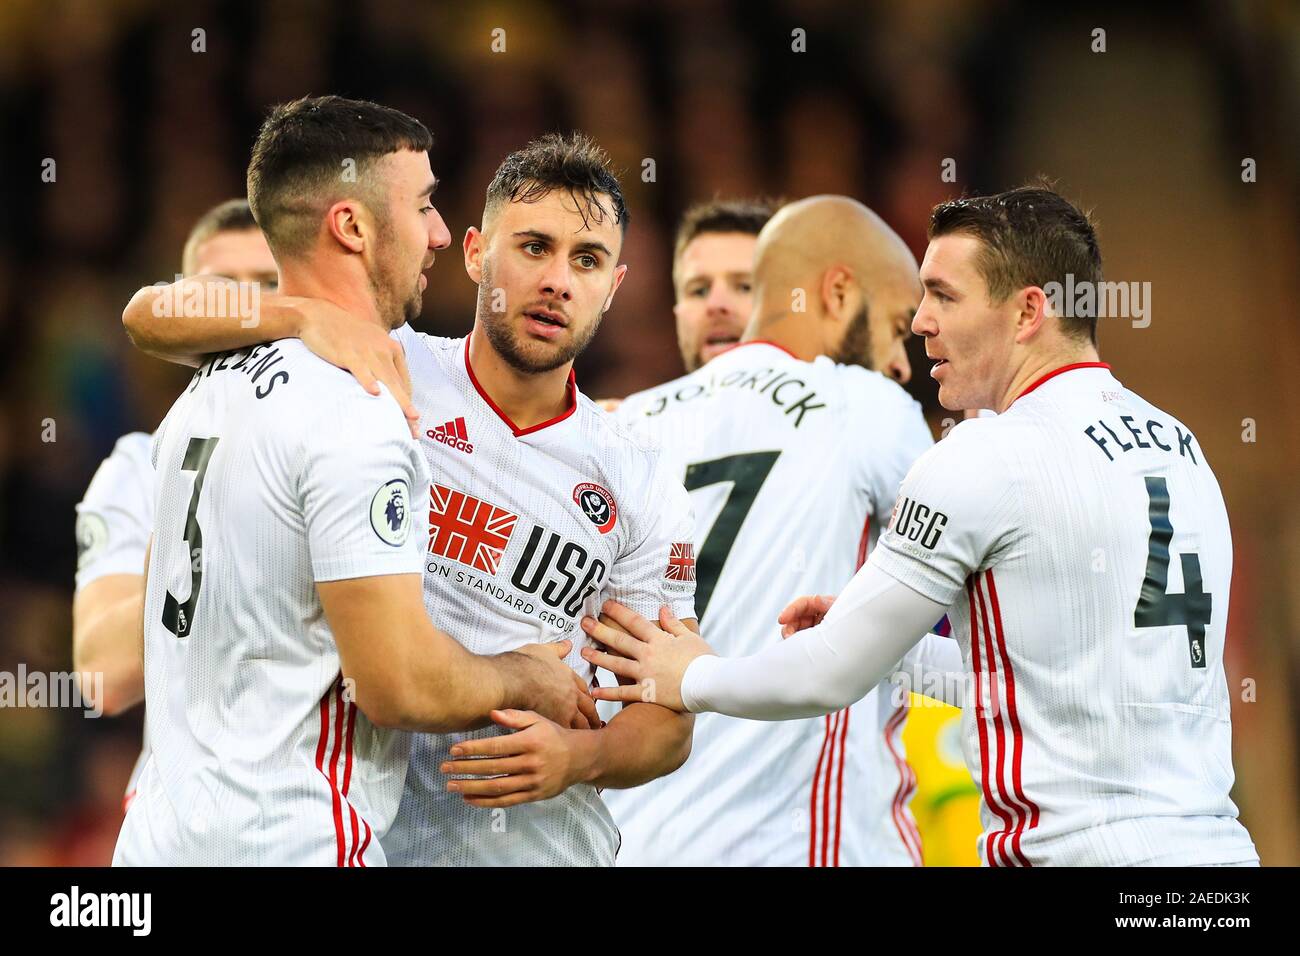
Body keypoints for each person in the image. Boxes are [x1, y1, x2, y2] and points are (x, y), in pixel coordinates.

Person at [584, 185, 1260, 867]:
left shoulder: (986, 453)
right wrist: (893, 646)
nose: (921, 324)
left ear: (1027, 311)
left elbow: (830, 673)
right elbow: (1060, 673)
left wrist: (692, 676)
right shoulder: (1182, 444)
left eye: (943, 296)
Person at [122, 127, 699, 867]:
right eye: (532, 248)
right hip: (363, 834)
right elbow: (147, 314)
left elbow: (666, 714)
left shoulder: (640, 470)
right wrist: (298, 314)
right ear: (471, 254)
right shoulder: (382, 369)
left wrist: (579, 759)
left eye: (586, 261)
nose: (557, 280)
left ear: (613, 286)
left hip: (536, 847)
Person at [601, 195, 962, 866]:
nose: (902, 363)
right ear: (838, 292)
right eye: (892, 327)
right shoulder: (865, 405)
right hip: (797, 846)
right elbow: (981, 605)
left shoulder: (620, 426)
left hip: (627, 837)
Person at [73, 198, 278, 813]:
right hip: (183, 828)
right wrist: (199, 522)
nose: (249, 311)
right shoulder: (138, 465)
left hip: (330, 823)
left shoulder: (355, 444)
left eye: (270, 286)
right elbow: (102, 677)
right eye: (221, 291)